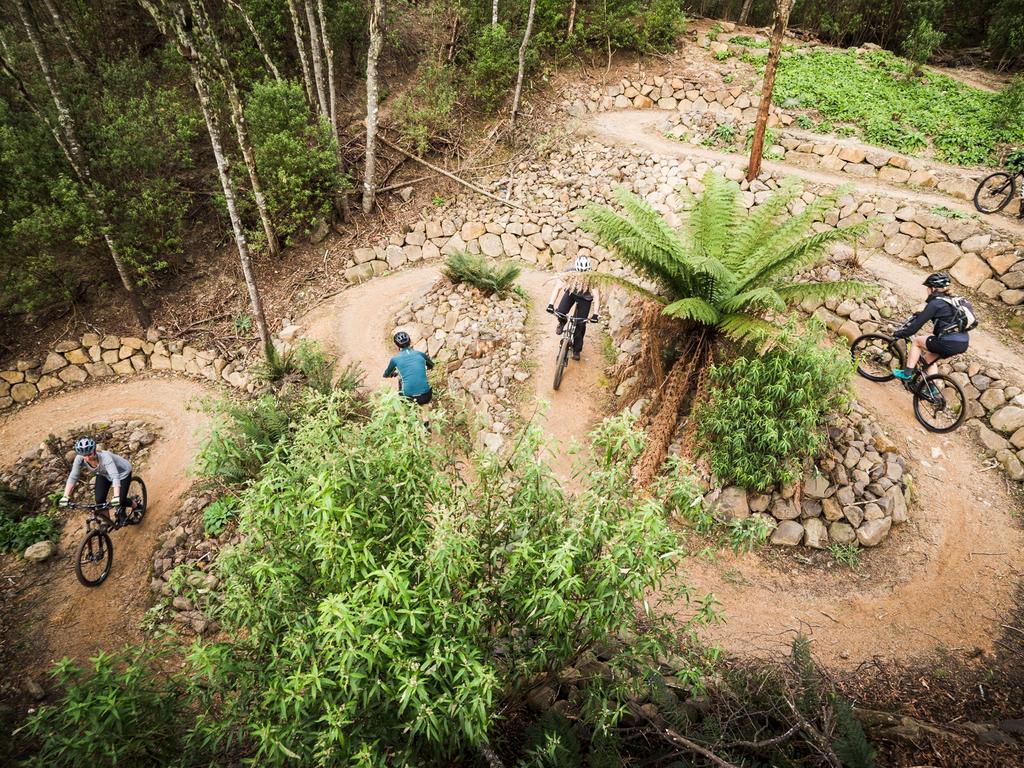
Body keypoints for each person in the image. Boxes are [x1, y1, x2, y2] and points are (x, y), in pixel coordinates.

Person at [891, 272, 971, 383]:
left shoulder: (936, 303)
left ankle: (906, 373)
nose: (927, 290)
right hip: (963, 342)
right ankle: (931, 389)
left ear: (933, 288)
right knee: (928, 361)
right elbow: (946, 316)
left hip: (948, 342)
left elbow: (913, 329)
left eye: (928, 287)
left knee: (917, 342)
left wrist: (900, 333)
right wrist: (921, 314)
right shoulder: (955, 300)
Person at [60, 437, 135, 525]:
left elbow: (115, 476)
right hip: (103, 474)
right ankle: (107, 522)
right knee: (99, 500)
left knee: (121, 500)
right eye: (84, 455)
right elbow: (73, 476)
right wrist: (65, 496)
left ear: (94, 451)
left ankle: (136, 505)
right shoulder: (80, 458)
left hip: (122, 473)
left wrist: (116, 497)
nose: (87, 458)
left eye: (89, 454)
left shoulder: (105, 457)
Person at [545, 255, 601, 361]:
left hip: (585, 299)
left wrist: (595, 314)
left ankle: (576, 350)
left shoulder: (593, 278)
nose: (581, 276)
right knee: (561, 311)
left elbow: (597, 296)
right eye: (579, 272)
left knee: (580, 324)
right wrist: (551, 304)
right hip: (571, 293)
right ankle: (562, 322)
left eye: (584, 273)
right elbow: (557, 288)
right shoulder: (569, 271)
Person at [384, 330, 434, 425]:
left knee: (402, 383)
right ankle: (426, 421)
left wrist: (394, 374)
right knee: (424, 403)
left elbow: (386, 374)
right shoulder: (420, 354)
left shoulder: (395, 359)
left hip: (408, 395)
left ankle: (407, 418)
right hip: (425, 395)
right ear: (410, 341)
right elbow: (431, 365)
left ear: (397, 346)